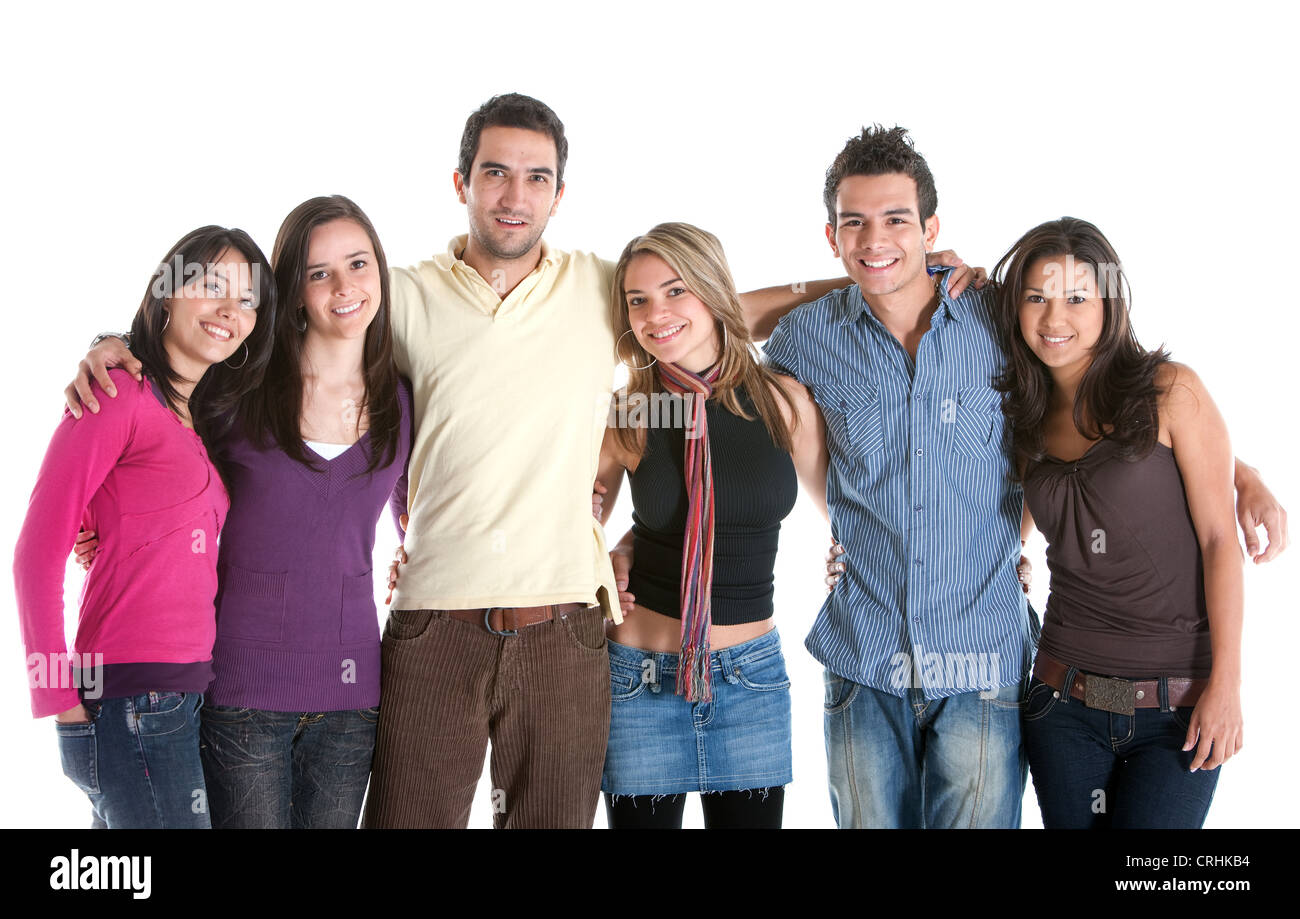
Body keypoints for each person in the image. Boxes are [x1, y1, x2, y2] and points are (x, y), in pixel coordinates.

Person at [67, 94, 982, 829]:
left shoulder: (599, 288)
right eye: (495, 172)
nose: (514, 194)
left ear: (558, 194)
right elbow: (263, 332)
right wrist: (125, 346)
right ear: (461, 182)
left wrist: (878, 273)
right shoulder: (400, 295)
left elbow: (710, 304)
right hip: (433, 626)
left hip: (567, 633)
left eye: (536, 177)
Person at [776, 125, 1287, 829]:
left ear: (931, 228)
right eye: (854, 224)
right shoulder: (820, 337)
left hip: (1018, 668)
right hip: (916, 665)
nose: (875, 237)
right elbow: (718, 319)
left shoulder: (1013, 325)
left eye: (897, 221)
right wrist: (882, 269)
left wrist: (1240, 473)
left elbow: (1133, 417)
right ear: (831, 235)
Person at [70, 196, 413, 828]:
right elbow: (152, 419)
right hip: (241, 693)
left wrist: (414, 549)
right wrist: (106, 345)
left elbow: (413, 501)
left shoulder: (400, 400)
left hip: (352, 698)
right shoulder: (238, 386)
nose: (344, 287)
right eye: (318, 273)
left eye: (358, 263)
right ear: (294, 291)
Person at [15, 226, 275, 828]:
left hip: (180, 698)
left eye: (246, 300)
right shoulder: (117, 393)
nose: (229, 310)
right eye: (212, 286)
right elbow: (35, 554)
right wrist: (59, 701)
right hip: (129, 700)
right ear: (167, 292)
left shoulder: (194, 421)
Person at [994, 217, 1242, 828]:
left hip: (1177, 710)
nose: (1055, 318)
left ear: (1110, 305)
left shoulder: (1170, 391)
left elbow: (1220, 540)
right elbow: (1007, 528)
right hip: (1061, 701)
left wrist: (1228, 684)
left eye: (1077, 298)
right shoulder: (1021, 417)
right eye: (1036, 297)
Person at [598, 222, 829, 828]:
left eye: (676, 291)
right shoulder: (631, 410)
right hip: (640, 681)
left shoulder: (783, 401)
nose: (657, 315)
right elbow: (570, 524)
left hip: (750, 681)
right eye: (638, 300)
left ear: (714, 289)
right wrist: (611, 552)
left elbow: (849, 515)